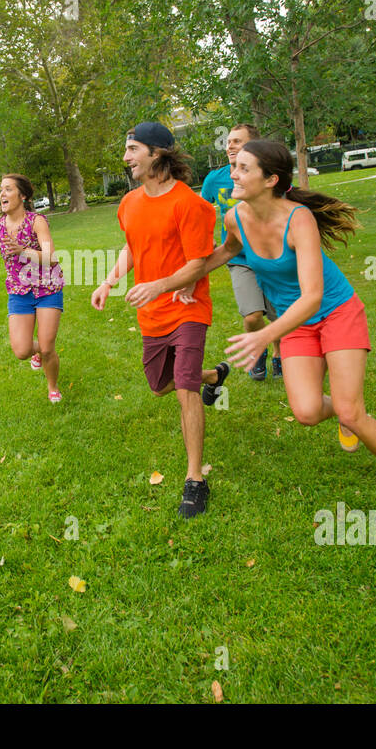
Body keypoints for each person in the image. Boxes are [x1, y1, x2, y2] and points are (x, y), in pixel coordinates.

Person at [166, 139, 376, 508]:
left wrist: (266, 335)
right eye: (235, 166)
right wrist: (184, 278)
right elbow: (227, 251)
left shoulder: (299, 219)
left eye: (244, 168)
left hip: (335, 311)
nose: (233, 173)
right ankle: (345, 415)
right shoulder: (235, 216)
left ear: (270, 179)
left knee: (351, 409)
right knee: (307, 412)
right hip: (295, 323)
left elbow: (313, 296)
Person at [93, 122, 228, 519]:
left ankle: (194, 480)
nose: (125, 157)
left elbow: (199, 262)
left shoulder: (188, 204)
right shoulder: (129, 203)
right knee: (159, 386)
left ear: (157, 154)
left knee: (183, 388)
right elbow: (132, 246)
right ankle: (213, 377)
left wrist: (160, 285)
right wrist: (109, 280)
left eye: (132, 148)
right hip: (152, 314)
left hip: (188, 307)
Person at [200, 123, 281, 381]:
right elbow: (200, 214)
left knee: (279, 313)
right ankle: (258, 351)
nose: (230, 146)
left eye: (237, 141)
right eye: (229, 142)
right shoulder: (216, 179)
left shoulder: (267, 175)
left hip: (271, 255)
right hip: (239, 258)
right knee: (252, 314)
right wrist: (205, 241)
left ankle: (279, 352)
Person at [0, 174, 66, 403]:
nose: (2, 194)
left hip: (48, 288)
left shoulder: (37, 221)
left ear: (22, 196)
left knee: (48, 348)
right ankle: (38, 352)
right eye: (1, 190)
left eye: (8, 189)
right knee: (22, 351)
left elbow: (52, 257)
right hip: (19, 293)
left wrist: (22, 251)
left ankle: (52, 385)